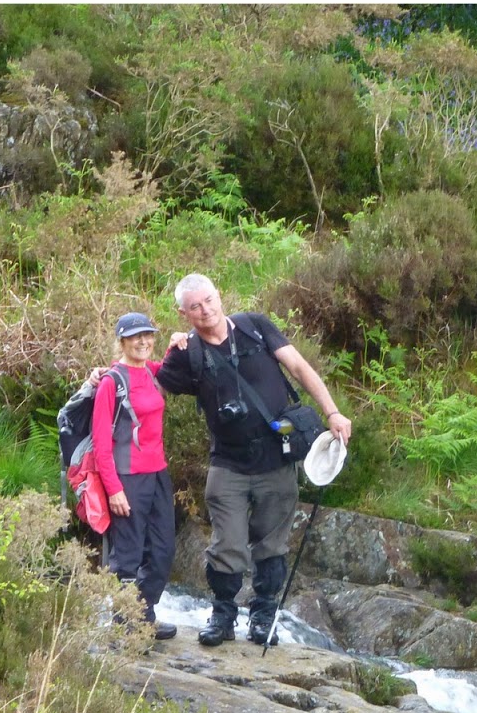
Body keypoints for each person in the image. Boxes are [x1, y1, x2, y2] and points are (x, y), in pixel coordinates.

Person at [155, 273, 352, 647]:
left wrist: (333, 413)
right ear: (183, 313)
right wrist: (113, 377)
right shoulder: (186, 353)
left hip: (276, 460)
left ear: (219, 295)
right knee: (227, 544)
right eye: (195, 306)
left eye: (209, 300)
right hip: (227, 464)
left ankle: (263, 617)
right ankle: (223, 616)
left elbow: (300, 368)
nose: (205, 310)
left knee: (272, 546)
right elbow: (151, 389)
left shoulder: (255, 327)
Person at [93, 312, 177, 641]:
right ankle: (125, 623)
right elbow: (102, 444)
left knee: (163, 550)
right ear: (122, 341)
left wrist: (176, 344)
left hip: (158, 475)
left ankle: (144, 613)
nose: (144, 341)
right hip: (126, 477)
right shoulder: (111, 382)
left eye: (148, 335)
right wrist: (113, 490)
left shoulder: (152, 373)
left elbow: (170, 368)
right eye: (136, 337)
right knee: (127, 555)